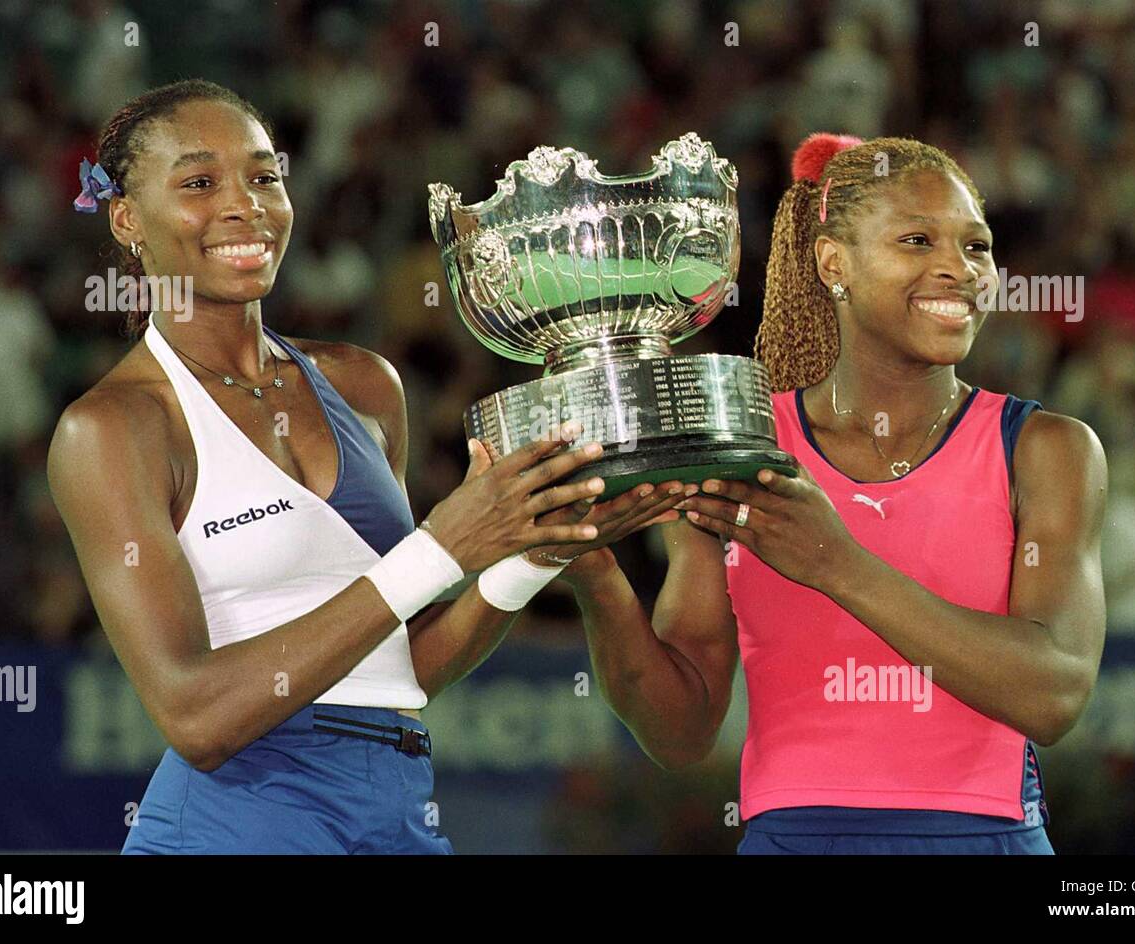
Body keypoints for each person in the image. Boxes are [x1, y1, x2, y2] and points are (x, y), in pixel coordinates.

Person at [47, 79, 684, 854]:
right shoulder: (112, 429)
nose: (245, 204)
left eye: (264, 175)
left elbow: (403, 665)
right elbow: (197, 719)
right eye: (199, 183)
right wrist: (444, 547)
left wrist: (528, 555)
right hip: (237, 819)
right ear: (126, 219)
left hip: (397, 805)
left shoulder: (365, 385)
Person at [556, 133, 1109, 854]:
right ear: (832, 263)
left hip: (989, 837)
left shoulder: (1047, 450)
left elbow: (1055, 693)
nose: (959, 269)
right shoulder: (735, 447)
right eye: (918, 240)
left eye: (977, 247)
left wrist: (836, 564)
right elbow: (680, 732)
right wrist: (595, 579)